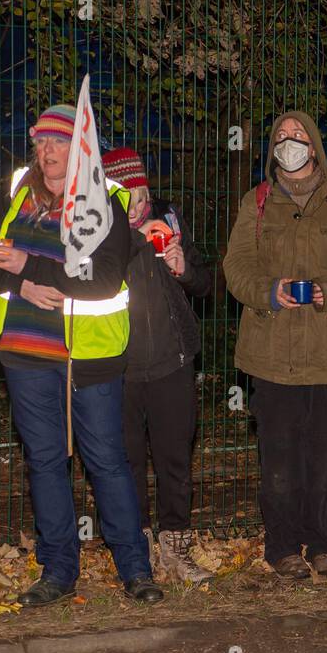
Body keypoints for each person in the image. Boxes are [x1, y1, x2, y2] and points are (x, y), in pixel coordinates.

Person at [0, 105, 162, 605]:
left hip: (87, 355)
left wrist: (31, 264)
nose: (47, 151)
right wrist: (20, 283)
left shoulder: (105, 203)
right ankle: (57, 570)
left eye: (59, 142)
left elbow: (102, 279)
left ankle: (135, 570)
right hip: (25, 353)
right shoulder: (18, 195)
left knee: (107, 462)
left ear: (81, 151)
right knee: (46, 461)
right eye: (41, 142)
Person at [222, 111, 327, 580]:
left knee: (319, 456)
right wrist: (267, 290)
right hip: (270, 355)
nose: (288, 142)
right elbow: (236, 266)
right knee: (278, 457)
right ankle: (281, 548)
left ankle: (321, 545)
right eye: (280, 136)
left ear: (314, 147)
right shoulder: (255, 203)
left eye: (297, 136)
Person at [102, 146, 214, 584]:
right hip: (119, 368)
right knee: (125, 463)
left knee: (175, 460)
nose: (139, 204)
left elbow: (206, 283)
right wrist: (133, 236)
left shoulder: (170, 219)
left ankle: (177, 548)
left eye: (143, 193)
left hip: (172, 363)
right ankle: (138, 552)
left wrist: (184, 268)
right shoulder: (99, 229)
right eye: (127, 197)